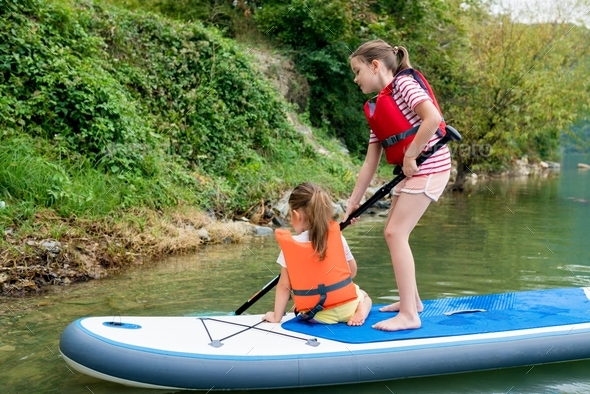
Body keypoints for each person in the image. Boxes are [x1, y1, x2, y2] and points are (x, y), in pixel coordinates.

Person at [345, 40, 452, 332]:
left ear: (375, 65)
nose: (356, 79)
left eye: (357, 71)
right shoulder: (378, 107)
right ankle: (412, 302)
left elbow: (433, 118)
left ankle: (409, 316)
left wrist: (410, 154)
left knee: (395, 232)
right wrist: (353, 202)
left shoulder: (404, 85)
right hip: (411, 171)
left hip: (430, 165)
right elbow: (370, 163)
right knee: (390, 230)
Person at [263, 182, 372, 326]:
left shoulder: (289, 247)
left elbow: (284, 286)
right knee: (364, 295)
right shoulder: (338, 237)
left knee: (303, 305)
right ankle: (361, 310)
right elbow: (352, 271)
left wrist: (277, 316)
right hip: (348, 310)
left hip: (316, 315)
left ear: (296, 215)